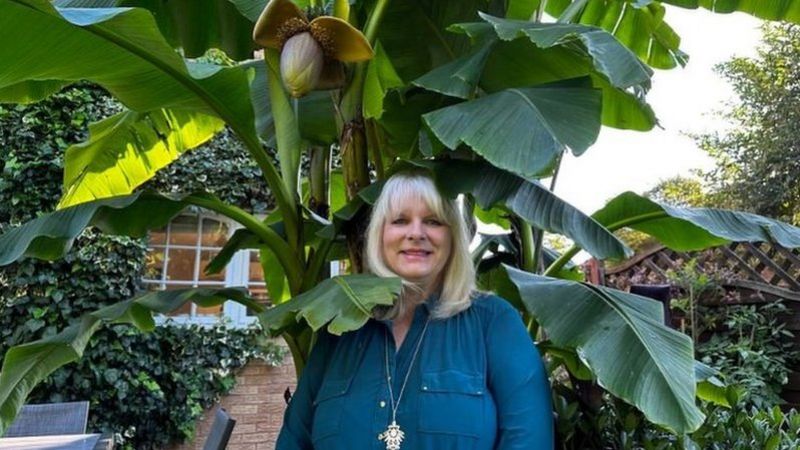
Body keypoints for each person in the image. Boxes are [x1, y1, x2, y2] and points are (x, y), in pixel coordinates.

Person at [276, 171, 554, 450]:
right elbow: (293, 441)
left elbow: (530, 440)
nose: (416, 233)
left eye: (432, 221)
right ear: (379, 235)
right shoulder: (341, 330)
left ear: (453, 236)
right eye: (400, 221)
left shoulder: (493, 323)